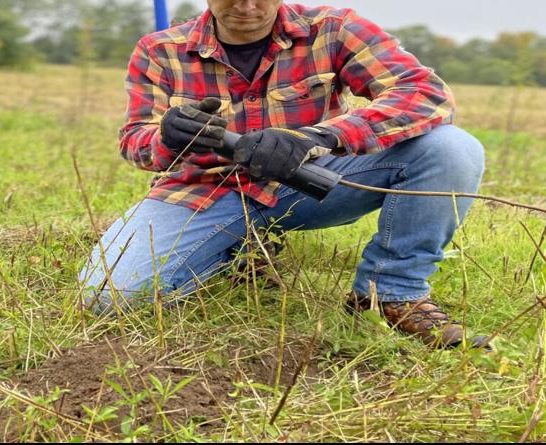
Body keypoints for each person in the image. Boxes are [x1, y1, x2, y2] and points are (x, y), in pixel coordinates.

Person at [78, 0, 488, 348]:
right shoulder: (160, 50)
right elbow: (136, 141)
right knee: (107, 297)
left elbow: (423, 93)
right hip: (204, 191)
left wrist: (320, 137)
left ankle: (391, 292)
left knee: (452, 148)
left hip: (311, 180)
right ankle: (231, 253)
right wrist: (166, 137)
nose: (246, 7)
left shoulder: (333, 29)